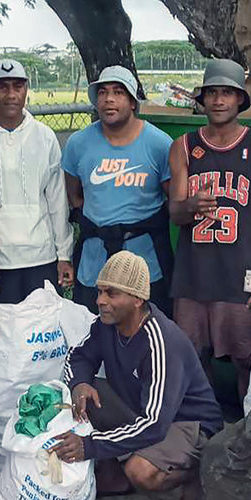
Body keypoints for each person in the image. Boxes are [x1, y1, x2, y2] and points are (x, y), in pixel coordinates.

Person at [50, 251, 223, 500]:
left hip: (188, 424)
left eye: (111, 294)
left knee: (140, 471)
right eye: (99, 292)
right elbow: (79, 356)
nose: (100, 301)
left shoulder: (160, 342)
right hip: (142, 409)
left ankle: (199, 471)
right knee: (86, 395)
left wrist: (89, 445)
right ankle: (114, 477)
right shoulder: (105, 326)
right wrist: (80, 383)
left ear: (138, 299)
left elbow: (155, 424)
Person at [168, 59, 251, 398]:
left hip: (239, 272)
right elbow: (174, 211)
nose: (218, 100)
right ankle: (203, 431)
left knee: (247, 358)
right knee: (192, 357)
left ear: (240, 99)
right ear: (202, 99)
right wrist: (190, 206)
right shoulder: (184, 146)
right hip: (194, 274)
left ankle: (246, 435)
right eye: (212, 93)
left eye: (227, 93)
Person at [61, 65, 174, 315]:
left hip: (144, 257)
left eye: (118, 92)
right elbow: (75, 196)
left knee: (145, 332)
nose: (109, 99)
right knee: (90, 329)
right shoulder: (78, 144)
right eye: (103, 92)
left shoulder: (159, 144)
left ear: (133, 102)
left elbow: (173, 198)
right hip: (95, 258)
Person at [0, 59, 73, 304]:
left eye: (18, 86)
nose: (11, 94)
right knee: (2, 334)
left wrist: (63, 254)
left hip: (40, 256)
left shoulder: (44, 136)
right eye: (3, 87)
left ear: (26, 89)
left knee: (41, 332)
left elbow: (56, 199)